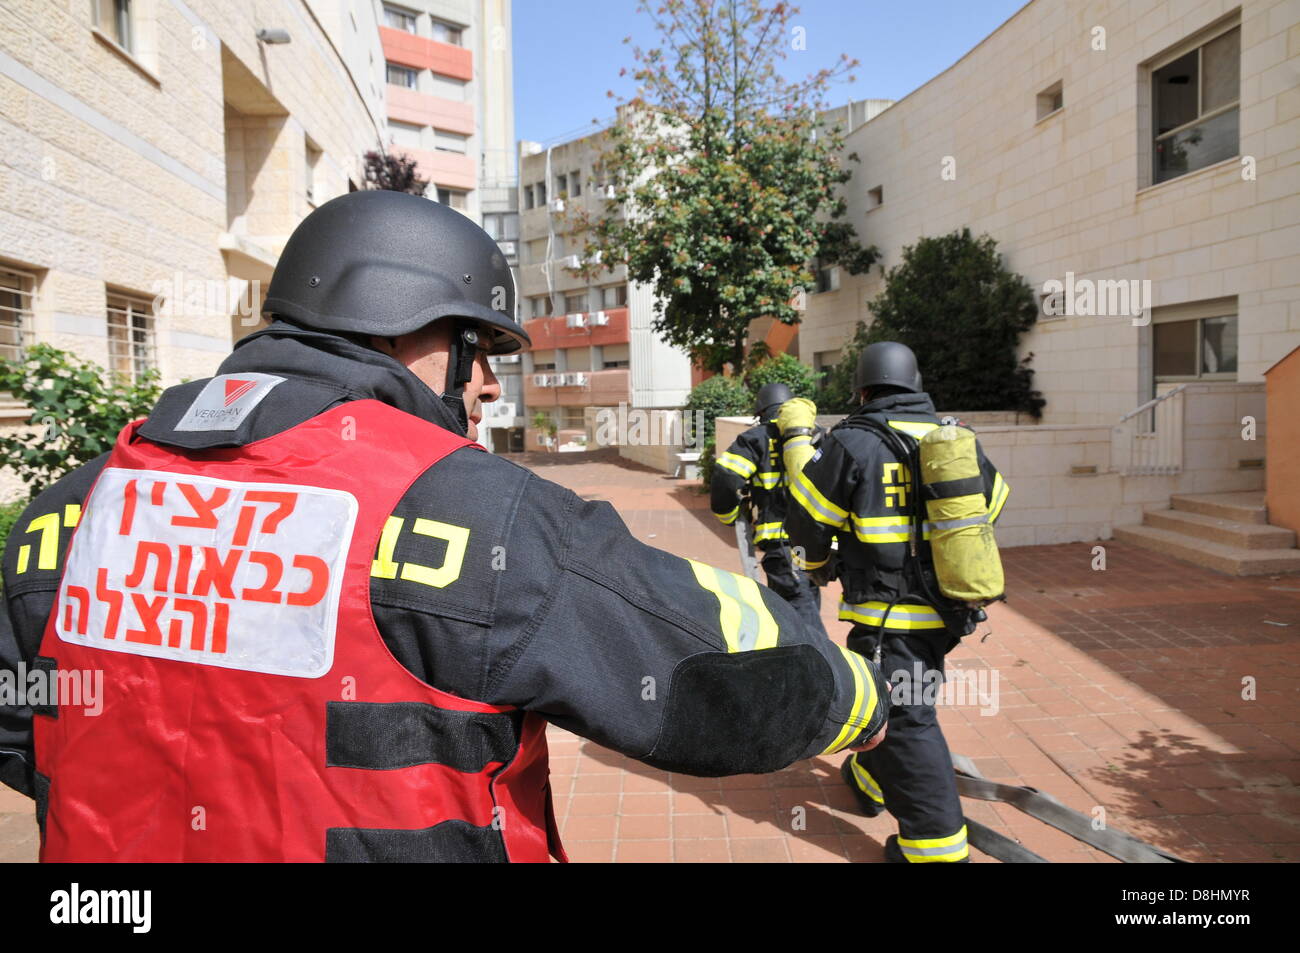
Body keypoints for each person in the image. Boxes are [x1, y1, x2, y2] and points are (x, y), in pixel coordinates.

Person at [0, 190, 889, 863]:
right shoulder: (472, 511)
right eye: (477, 348)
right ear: (399, 323)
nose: (489, 386)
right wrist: (856, 697)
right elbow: (708, 675)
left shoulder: (72, 509)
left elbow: (19, 734)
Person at [783, 342, 1010, 864]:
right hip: (945, 610)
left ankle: (937, 850)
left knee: (907, 718)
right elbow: (989, 507)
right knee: (889, 702)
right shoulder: (952, 438)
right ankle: (869, 778)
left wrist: (818, 566)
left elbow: (806, 522)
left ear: (863, 389)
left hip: (888, 616)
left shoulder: (853, 442)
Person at [709, 381, 825, 633]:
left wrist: (728, 515)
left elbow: (726, 479)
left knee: (799, 611)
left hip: (782, 544)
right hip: (814, 542)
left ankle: (825, 667)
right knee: (804, 598)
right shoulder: (816, 435)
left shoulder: (756, 439)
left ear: (762, 412)